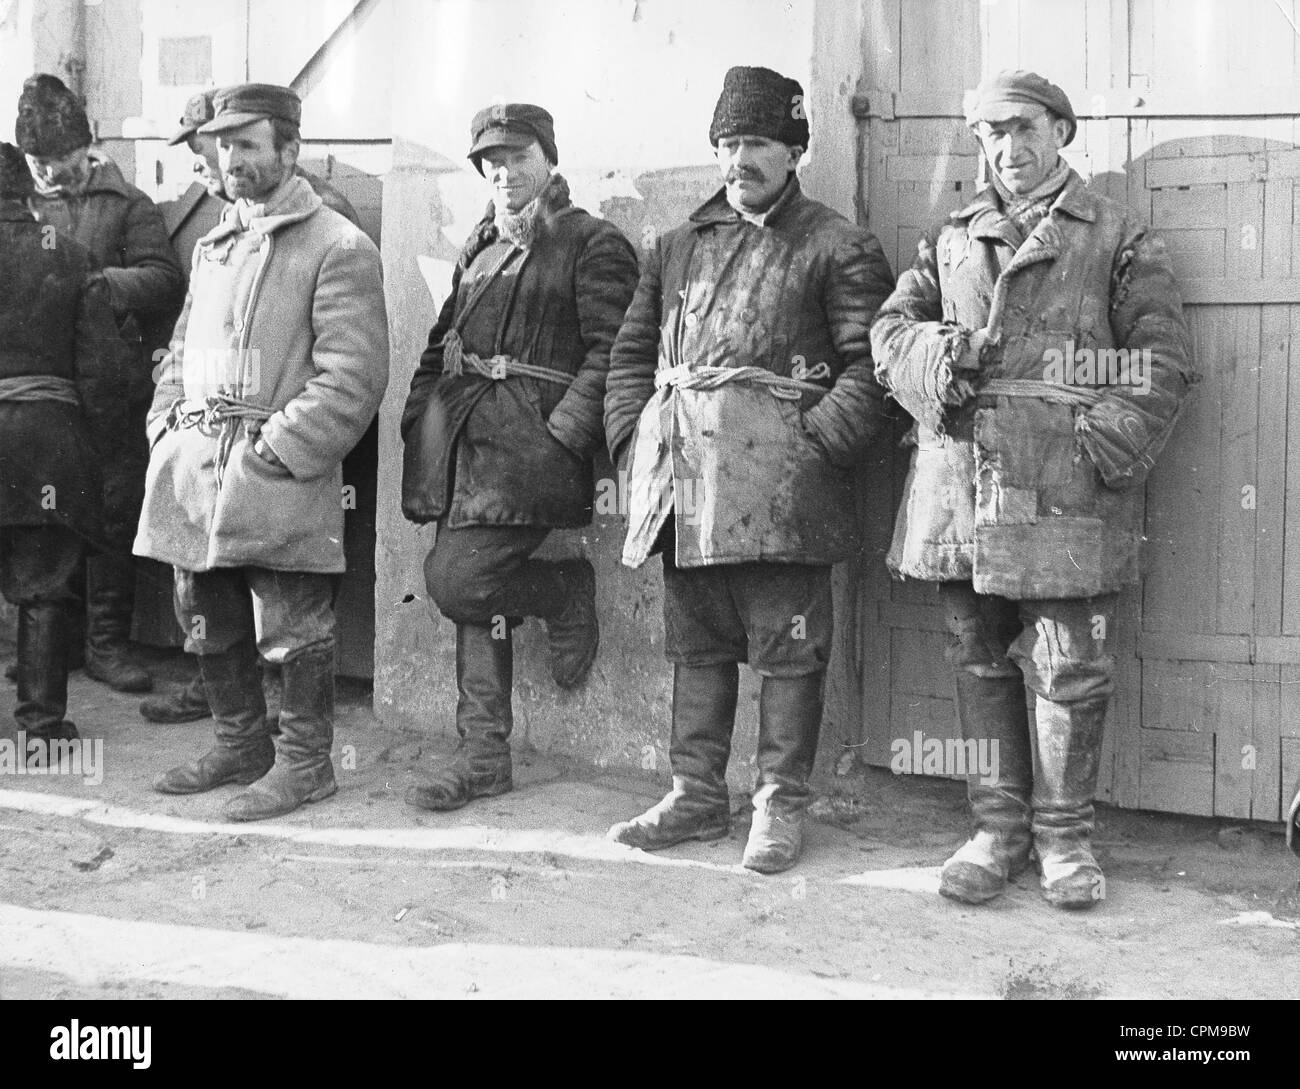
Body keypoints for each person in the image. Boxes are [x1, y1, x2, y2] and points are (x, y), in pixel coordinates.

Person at [871, 70, 1194, 909]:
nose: (1004, 150)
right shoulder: (950, 233)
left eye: (1020, 130)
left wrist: (1097, 444)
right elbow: (887, 331)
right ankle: (997, 827)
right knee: (976, 656)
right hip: (962, 482)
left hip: (1064, 484)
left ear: (1061, 132)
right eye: (987, 135)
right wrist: (935, 358)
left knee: (1069, 663)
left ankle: (1063, 836)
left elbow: (1162, 357)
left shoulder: (1116, 234)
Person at [602, 66, 894, 874]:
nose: (740, 159)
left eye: (758, 143)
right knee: (697, 642)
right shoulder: (675, 248)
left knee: (788, 648)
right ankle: (696, 793)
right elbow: (631, 357)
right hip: (687, 483)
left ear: (796, 147)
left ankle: (779, 803)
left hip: (786, 498)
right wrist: (633, 446)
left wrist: (813, 448)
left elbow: (872, 367)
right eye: (728, 143)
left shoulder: (837, 245)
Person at [135, 83, 388, 821]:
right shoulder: (218, 241)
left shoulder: (337, 245)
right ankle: (240, 743)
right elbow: (180, 350)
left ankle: (307, 765)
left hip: (276, 468)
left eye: (247, 143)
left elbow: (354, 375)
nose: (230, 158)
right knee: (205, 610)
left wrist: (280, 448)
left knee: (292, 621)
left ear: (289, 149)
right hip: (196, 464)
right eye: (223, 144)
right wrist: (166, 427)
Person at [400, 102, 638, 813]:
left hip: (531, 451)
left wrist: (563, 431)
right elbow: (439, 345)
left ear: (549, 159)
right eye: (490, 162)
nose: (503, 172)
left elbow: (616, 351)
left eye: (518, 157)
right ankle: (483, 759)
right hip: (464, 446)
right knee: (472, 592)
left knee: (460, 578)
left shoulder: (591, 242)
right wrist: (421, 417)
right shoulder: (479, 248)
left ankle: (564, 591)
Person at [16, 73, 185, 695]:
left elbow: (164, 279)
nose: (50, 175)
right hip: (44, 391)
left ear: (86, 148)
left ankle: (107, 645)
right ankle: (49, 647)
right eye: (38, 163)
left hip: (111, 390)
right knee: (48, 515)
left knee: (114, 512)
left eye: (60, 161)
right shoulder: (21, 209)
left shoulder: (127, 205)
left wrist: (95, 283)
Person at [0, 142, 129, 757]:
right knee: (43, 587)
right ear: (29, 197)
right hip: (45, 445)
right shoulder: (73, 260)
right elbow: (104, 376)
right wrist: (101, 455)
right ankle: (42, 729)